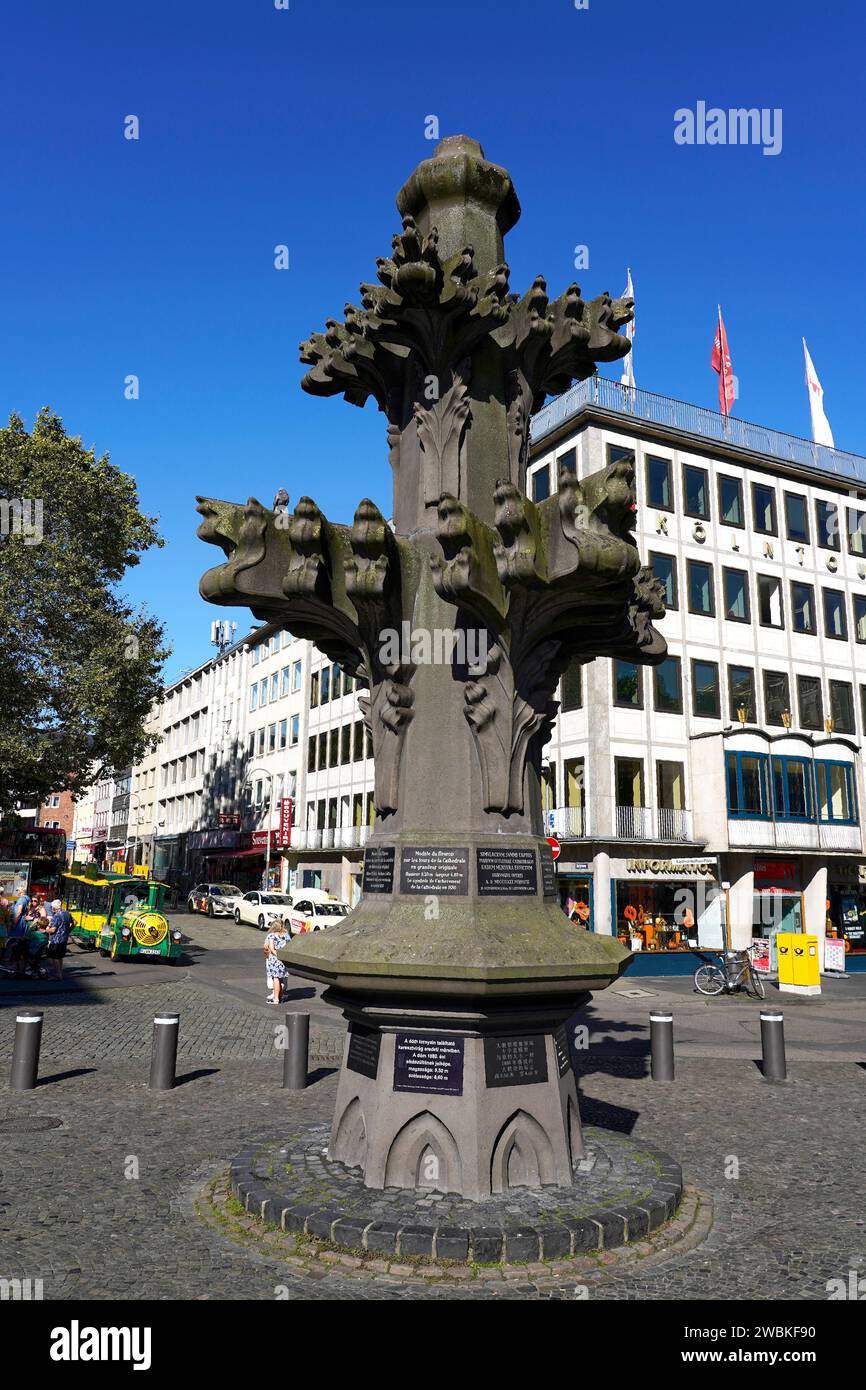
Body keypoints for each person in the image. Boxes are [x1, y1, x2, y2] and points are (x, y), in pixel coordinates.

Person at [44, 898, 74, 980]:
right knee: (60, 957)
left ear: (54, 908)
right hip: (64, 939)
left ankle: (58, 975)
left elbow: (53, 929)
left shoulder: (56, 916)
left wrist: (45, 930)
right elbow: (75, 923)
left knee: (55, 958)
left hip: (56, 939)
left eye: (52, 908)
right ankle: (60, 973)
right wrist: (68, 931)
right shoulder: (67, 913)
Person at [263, 922, 290, 1005]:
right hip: (284, 959)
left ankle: (276, 999)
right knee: (282, 979)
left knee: (275, 978)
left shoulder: (271, 935)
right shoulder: (286, 935)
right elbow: (289, 946)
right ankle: (280, 997)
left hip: (275, 960)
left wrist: (277, 955)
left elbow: (270, 947)